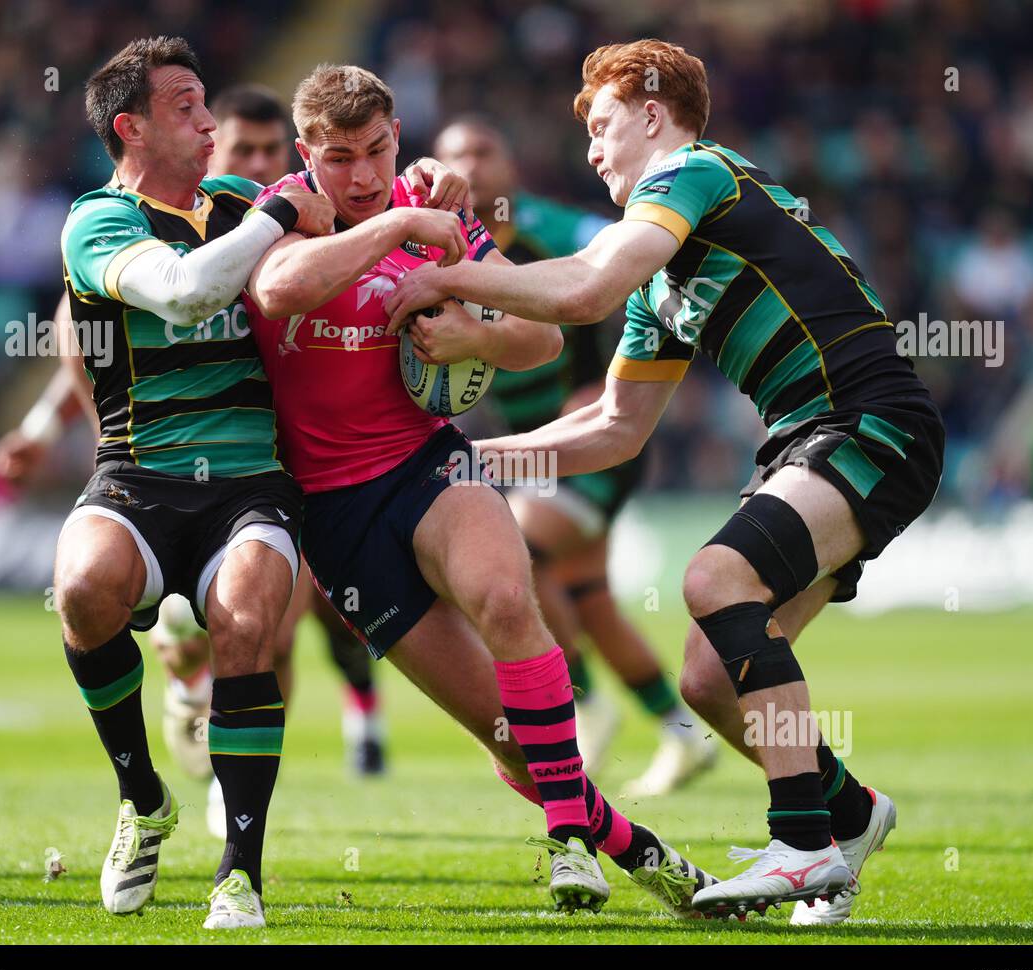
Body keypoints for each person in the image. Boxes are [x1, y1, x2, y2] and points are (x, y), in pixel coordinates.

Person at [385, 39, 945, 922]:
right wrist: (471, 463)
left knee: (715, 581)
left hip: (869, 421)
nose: (592, 151)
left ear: (653, 114)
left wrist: (447, 280)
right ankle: (847, 812)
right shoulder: (662, 281)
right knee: (710, 680)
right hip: (810, 440)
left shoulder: (693, 171)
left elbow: (581, 292)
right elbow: (613, 430)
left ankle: (802, 848)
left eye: (603, 127)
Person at [244, 63, 719, 917]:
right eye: (339, 157)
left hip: (430, 463)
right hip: (332, 516)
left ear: (398, 137)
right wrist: (401, 225)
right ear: (307, 150)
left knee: (508, 594)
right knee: (507, 738)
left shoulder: (441, 209)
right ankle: (648, 856)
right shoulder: (284, 211)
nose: (361, 176)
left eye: (378, 152)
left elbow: (539, 339)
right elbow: (281, 289)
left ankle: (568, 841)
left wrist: (475, 333)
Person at [56, 35, 333, 930]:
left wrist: (425, 197)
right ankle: (143, 801)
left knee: (247, 626)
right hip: (137, 474)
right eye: (187, 108)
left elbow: (350, 223)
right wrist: (279, 220)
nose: (212, 122)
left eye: (207, 102)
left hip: (249, 482)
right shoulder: (98, 222)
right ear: (130, 127)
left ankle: (239, 873)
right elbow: (182, 293)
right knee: (83, 591)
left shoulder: (244, 204)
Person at [433, 116, 716, 795]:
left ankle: (581, 702)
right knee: (586, 599)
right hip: (530, 449)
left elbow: (629, 250)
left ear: (510, 165)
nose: (470, 165)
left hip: (591, 438)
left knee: (519, 553)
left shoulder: (550, 229)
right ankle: (681, 732)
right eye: (456, 155)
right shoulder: (438, 247)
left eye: (484, 149)